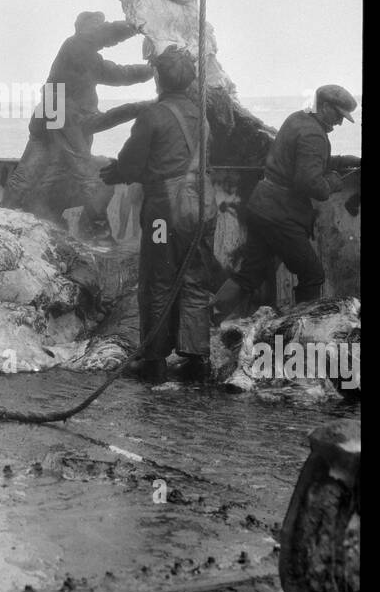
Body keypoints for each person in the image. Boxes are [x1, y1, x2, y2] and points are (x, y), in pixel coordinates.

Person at [99, 45, 217, 382]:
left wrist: (116, 173)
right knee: (194, 278)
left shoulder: (153, 115)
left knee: (158, 278)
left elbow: (133, 163)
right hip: (203, 207)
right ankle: (196, 361)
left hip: (166, 213)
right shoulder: (201, 115)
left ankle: (154, 362)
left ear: (158, 79)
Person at [1, 11, 154, 240]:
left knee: (27, 175)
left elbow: (115, 80)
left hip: (51, 118)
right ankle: (99, 231)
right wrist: (136, 25)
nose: (102, 29)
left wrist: (146, 88)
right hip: (59, 115)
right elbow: (115, 69)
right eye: (98, 25)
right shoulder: (76, 46)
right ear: (85, 28)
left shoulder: (86, 63)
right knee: (84, 174)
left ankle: (3, 217)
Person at [211, 84, 358, 320]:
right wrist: (334, 182)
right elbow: (310, 183)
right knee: (312, 274)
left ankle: (209, 318)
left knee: (248, 274)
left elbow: (301, 159)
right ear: (326, 107)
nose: (340, 123)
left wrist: (341, 160)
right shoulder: (314, 135)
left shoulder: (298, 119)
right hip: (281, 215)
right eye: (339, 115)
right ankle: (305, 330)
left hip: (262, 207)